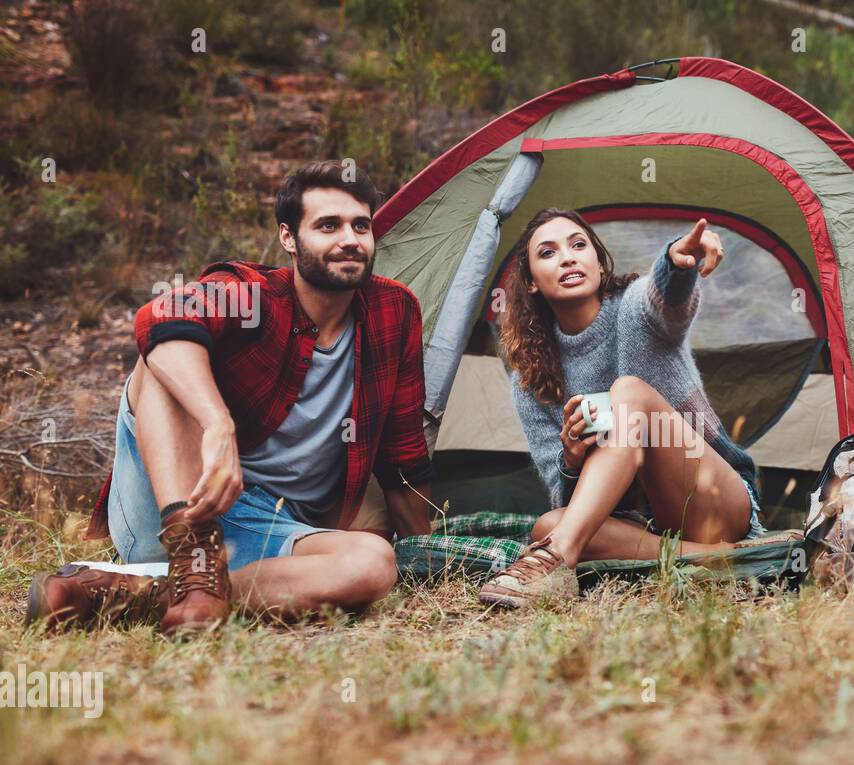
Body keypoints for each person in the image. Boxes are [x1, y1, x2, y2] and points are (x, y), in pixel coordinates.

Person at [26, 161, 433, 634]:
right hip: (178, 500)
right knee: (163, 356)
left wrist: (423, 551)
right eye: (328, 225)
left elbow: (403, 453)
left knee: (373, 564)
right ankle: (191, 558)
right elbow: (161, 316)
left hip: (268, 529)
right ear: (288, 237)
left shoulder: (394, 310)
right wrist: (217, 424)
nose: (350, 239)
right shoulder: (251, 295)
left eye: (361, 225)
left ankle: (149, 594)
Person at [478, 209, 766, 609]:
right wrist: (571, 459)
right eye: (548, 253)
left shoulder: (633, 311)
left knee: (628, 391)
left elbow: (665, 302)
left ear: (599, 262)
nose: (567, 257)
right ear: (530, 282)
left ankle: (556, 558)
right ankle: (715, 559)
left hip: (710, 499)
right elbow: (563, 497)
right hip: (640, 527)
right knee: (549, 523)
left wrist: (677, 263)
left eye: (579, 245)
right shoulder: (530, 379)